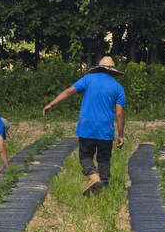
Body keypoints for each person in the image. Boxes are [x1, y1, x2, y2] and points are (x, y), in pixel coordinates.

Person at [43, 55, 126, 196]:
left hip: (87, 126)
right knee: (104, 159)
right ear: (112, 72)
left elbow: (69, 91)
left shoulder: (88, 79)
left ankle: (93, 176)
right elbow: (119, 114)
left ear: (98, 68)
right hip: (106, 129)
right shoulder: (118, 87)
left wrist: (52, 103)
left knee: (85, 156)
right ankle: (103, 187)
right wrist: (121, 135)